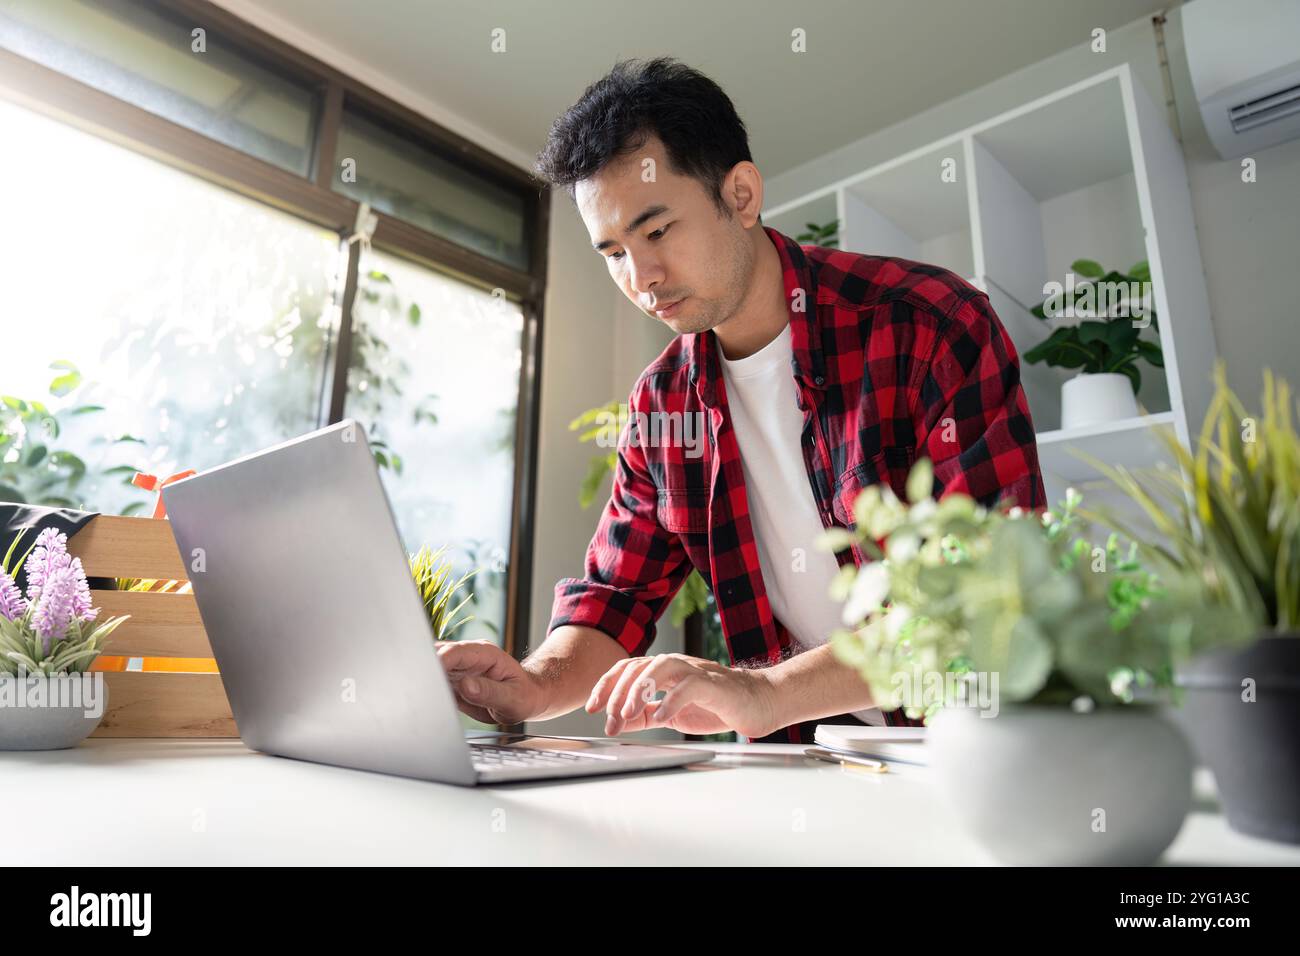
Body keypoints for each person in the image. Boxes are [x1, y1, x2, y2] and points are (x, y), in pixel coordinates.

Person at [437, 56, 1045, 744]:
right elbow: (616, 597)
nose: (642, 278)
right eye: (611, 252)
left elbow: (984, 597)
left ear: (742, 195)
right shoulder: (662, 405)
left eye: (657, 230)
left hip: (986, 748)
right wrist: (535, 684)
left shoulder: (930, 324)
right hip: (818, 763)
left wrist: (764, 692)